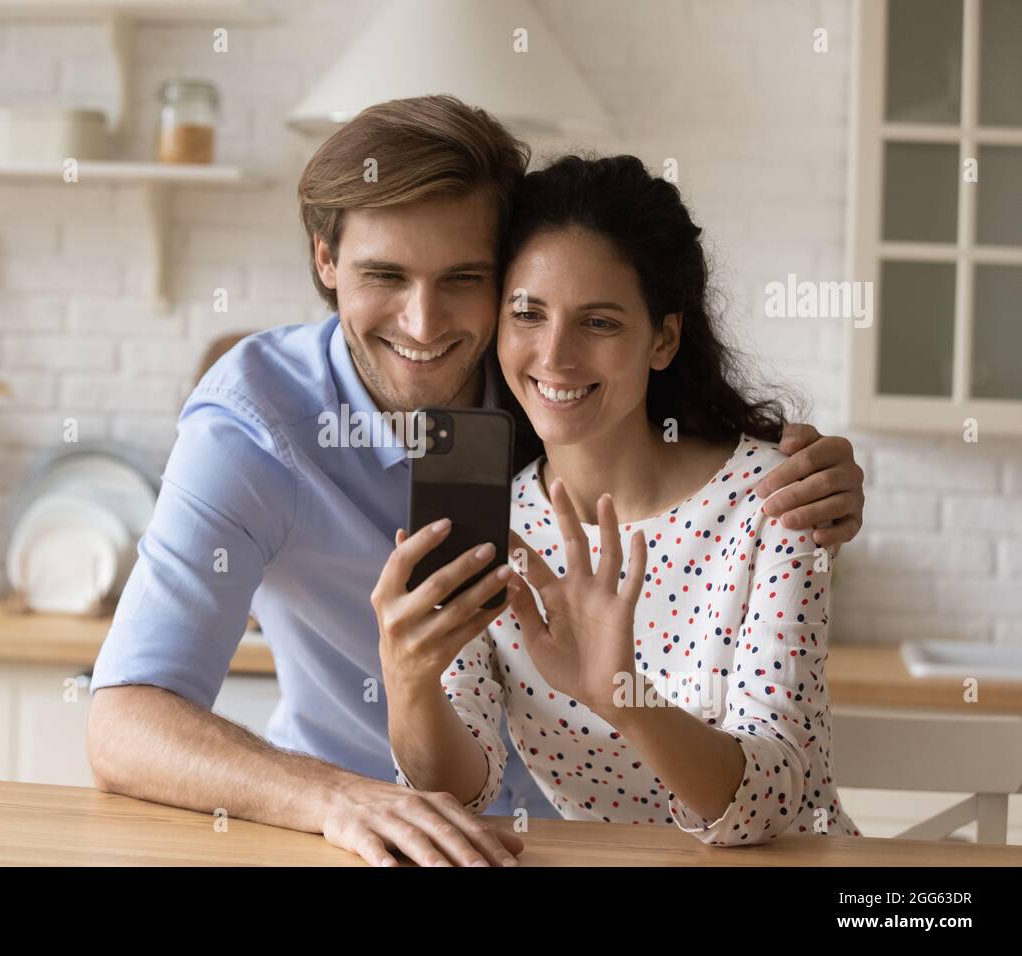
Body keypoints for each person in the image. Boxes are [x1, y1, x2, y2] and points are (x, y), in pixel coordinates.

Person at [87, 96, 867, 866]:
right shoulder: (257, 421)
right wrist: (340, 794)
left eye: (464, 278)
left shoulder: (552, 402)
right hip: (377, 832)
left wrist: (806, 481)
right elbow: (123, 723)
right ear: (325, 261)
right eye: (384, 274)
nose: (424, 326)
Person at [379, 154, 860, 845]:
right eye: (527, 315)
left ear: (662, 338)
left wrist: (624, 698)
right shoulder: (493, 523)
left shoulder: (776, 498)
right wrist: (409, 682)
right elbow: (460, 790)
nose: (555, 355)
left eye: (598, 323)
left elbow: (776, 798)